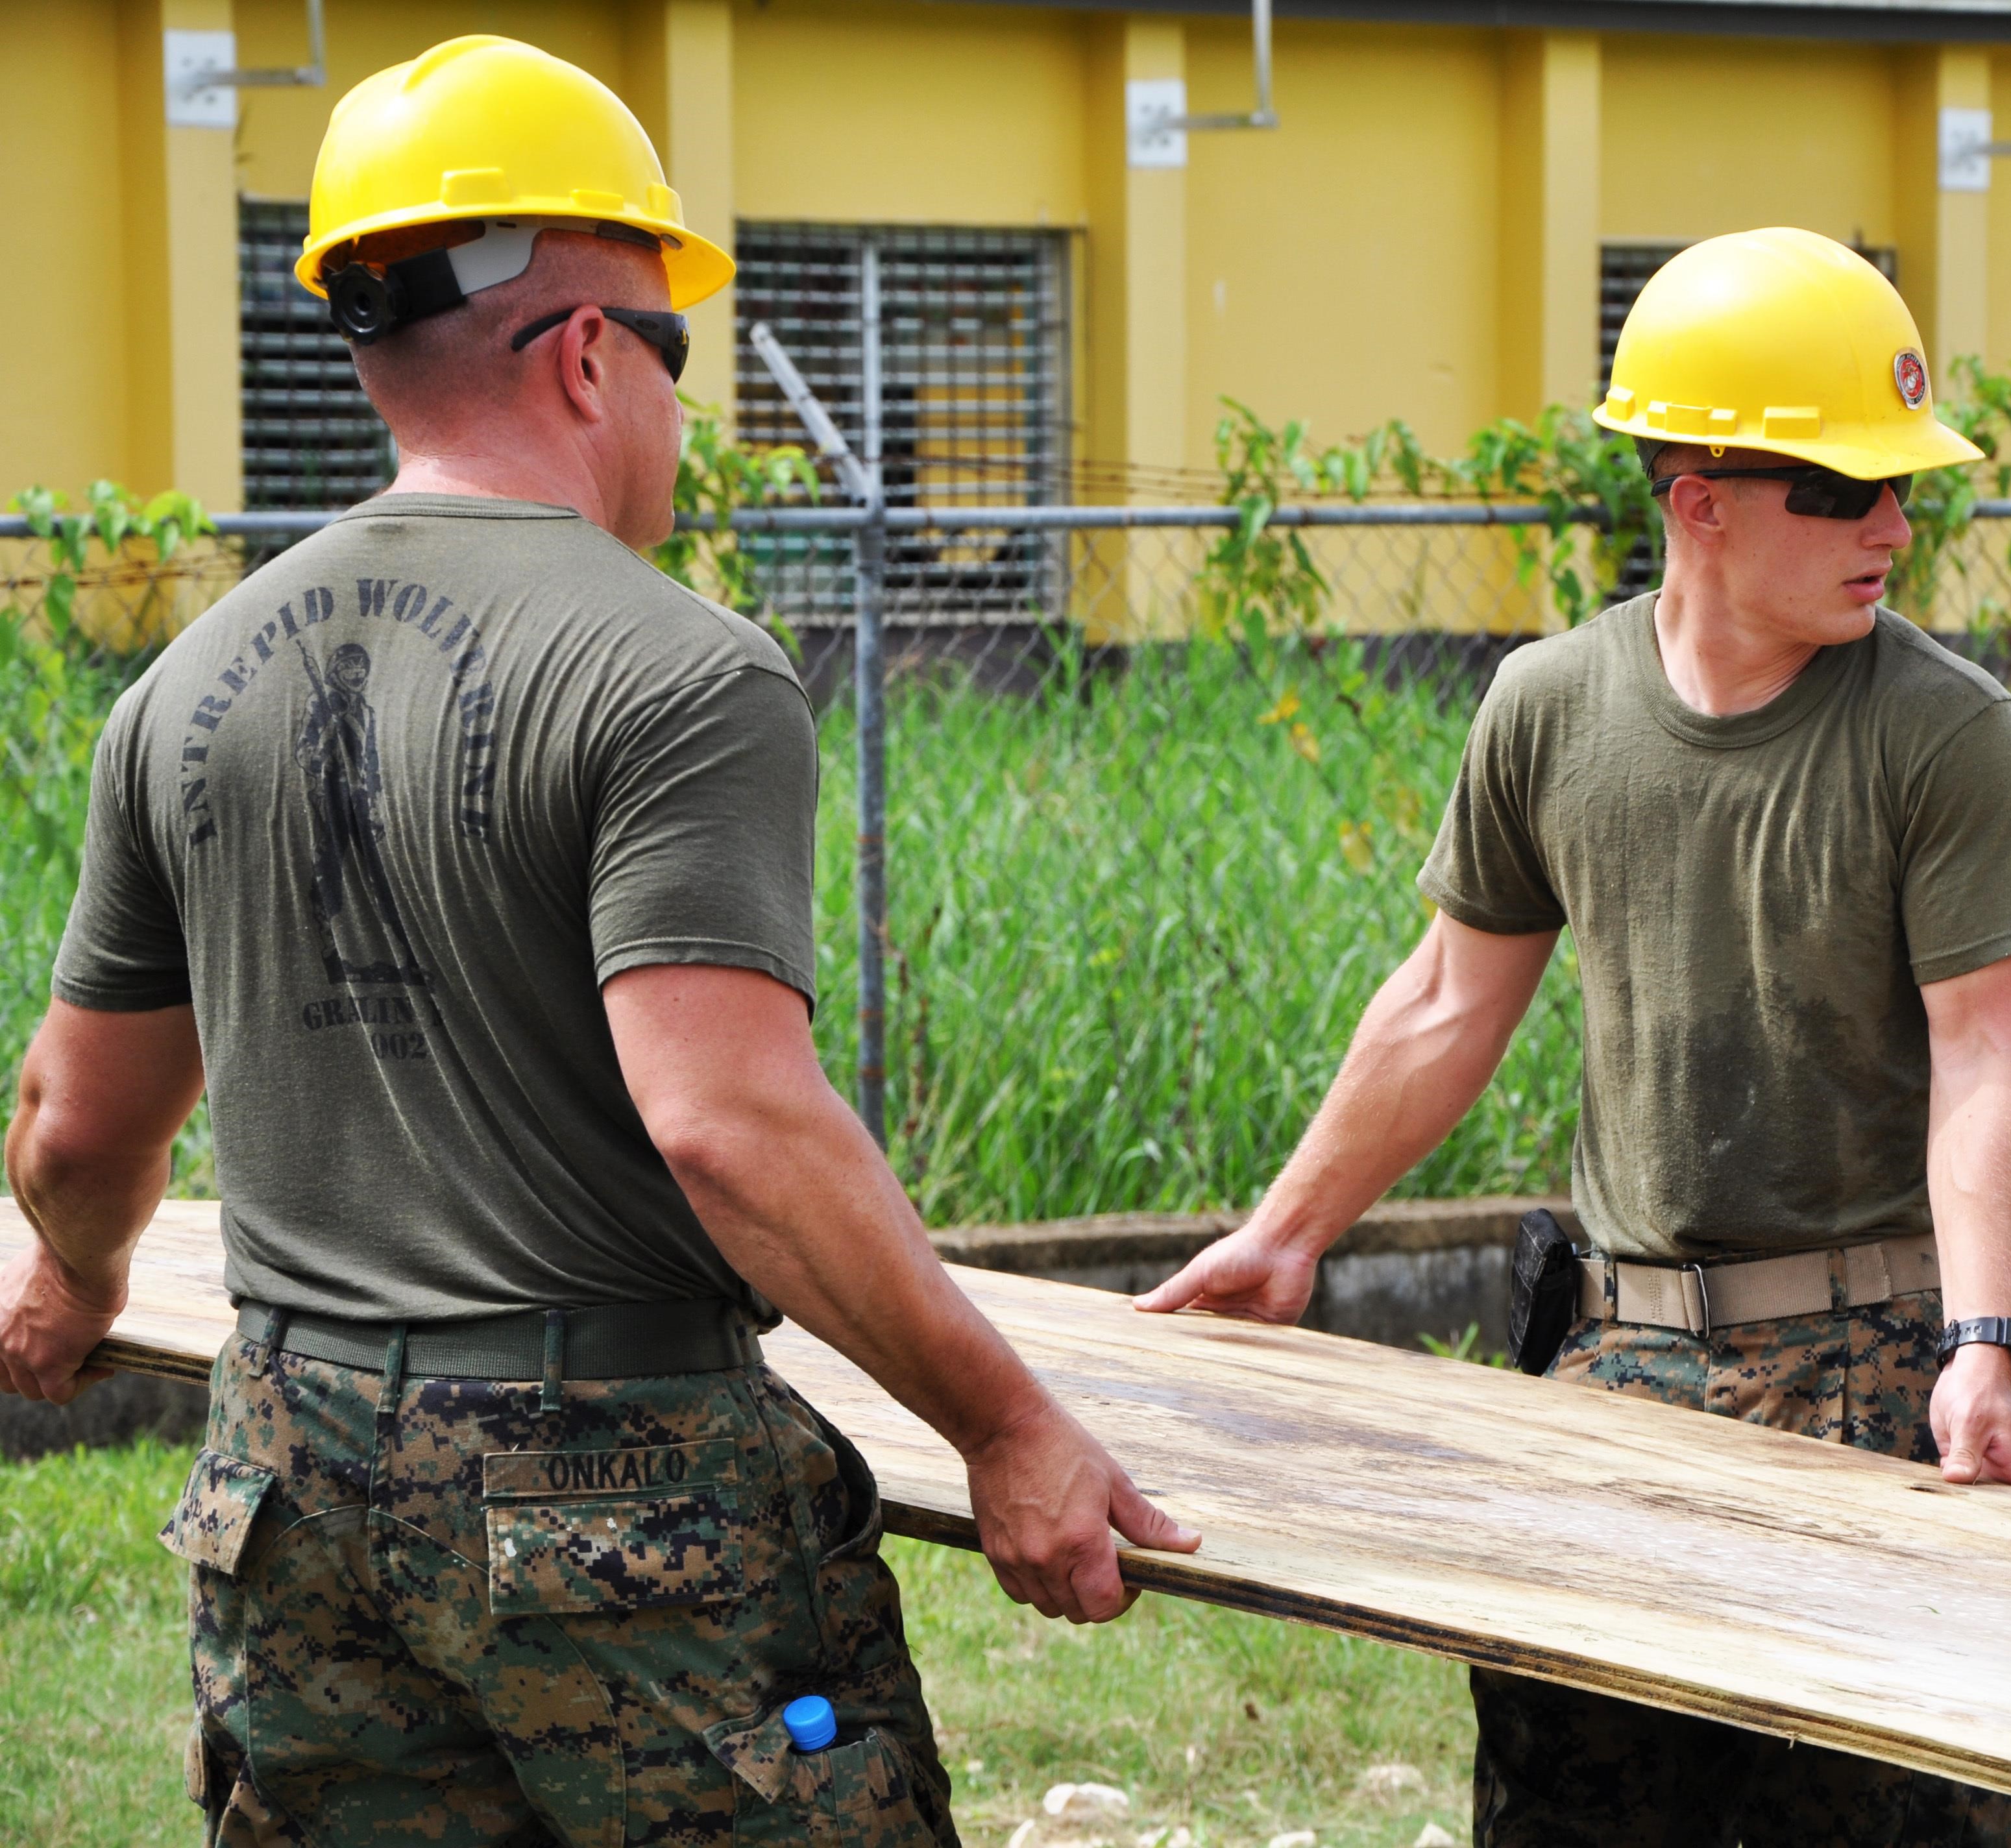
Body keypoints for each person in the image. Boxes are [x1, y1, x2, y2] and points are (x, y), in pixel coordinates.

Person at [0, 36, 1192, 1846]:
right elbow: (729, 1126)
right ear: (584, 354)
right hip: (612, 1500)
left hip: (287, 1485)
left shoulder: (179, 690)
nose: (681, 417)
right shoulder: (678, 671)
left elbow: (77, 1129)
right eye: (674, 356)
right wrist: (1009, 1429)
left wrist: (80, 1283)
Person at [1134, 227, 2011, 1847]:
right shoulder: (1547, 704)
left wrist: (1981, 1342)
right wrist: (1285, 1232)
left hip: (1877, 1367)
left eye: (1902, 486)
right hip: (1615, 1369)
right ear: (1699, 501)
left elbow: (1986, 1050)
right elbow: (1447, 995)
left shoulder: (1944, 730)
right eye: (1842, 488)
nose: (1892, 527)